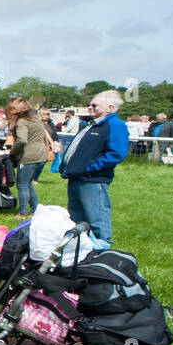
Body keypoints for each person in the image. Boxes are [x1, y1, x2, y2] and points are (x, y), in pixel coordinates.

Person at [59, 90, 128, 244]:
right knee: (76, 217)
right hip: (77, 177)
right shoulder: (93, 124)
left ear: (109, 108)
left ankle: (102, 251)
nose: (90, 107)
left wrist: (90, 168)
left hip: (93, 180)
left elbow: (117, 153)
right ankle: (80, 249)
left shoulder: (115, 125)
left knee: (97, 218)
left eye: (94, 105)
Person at [5, 97, 47, 218]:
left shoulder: (22, 122)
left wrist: (12, 151)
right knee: (29, 184)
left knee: (22, 185)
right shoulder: (36, 119)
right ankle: (34, 211)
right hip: (40, 155)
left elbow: (22, 140)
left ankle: (22, 213)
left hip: (28, 156)